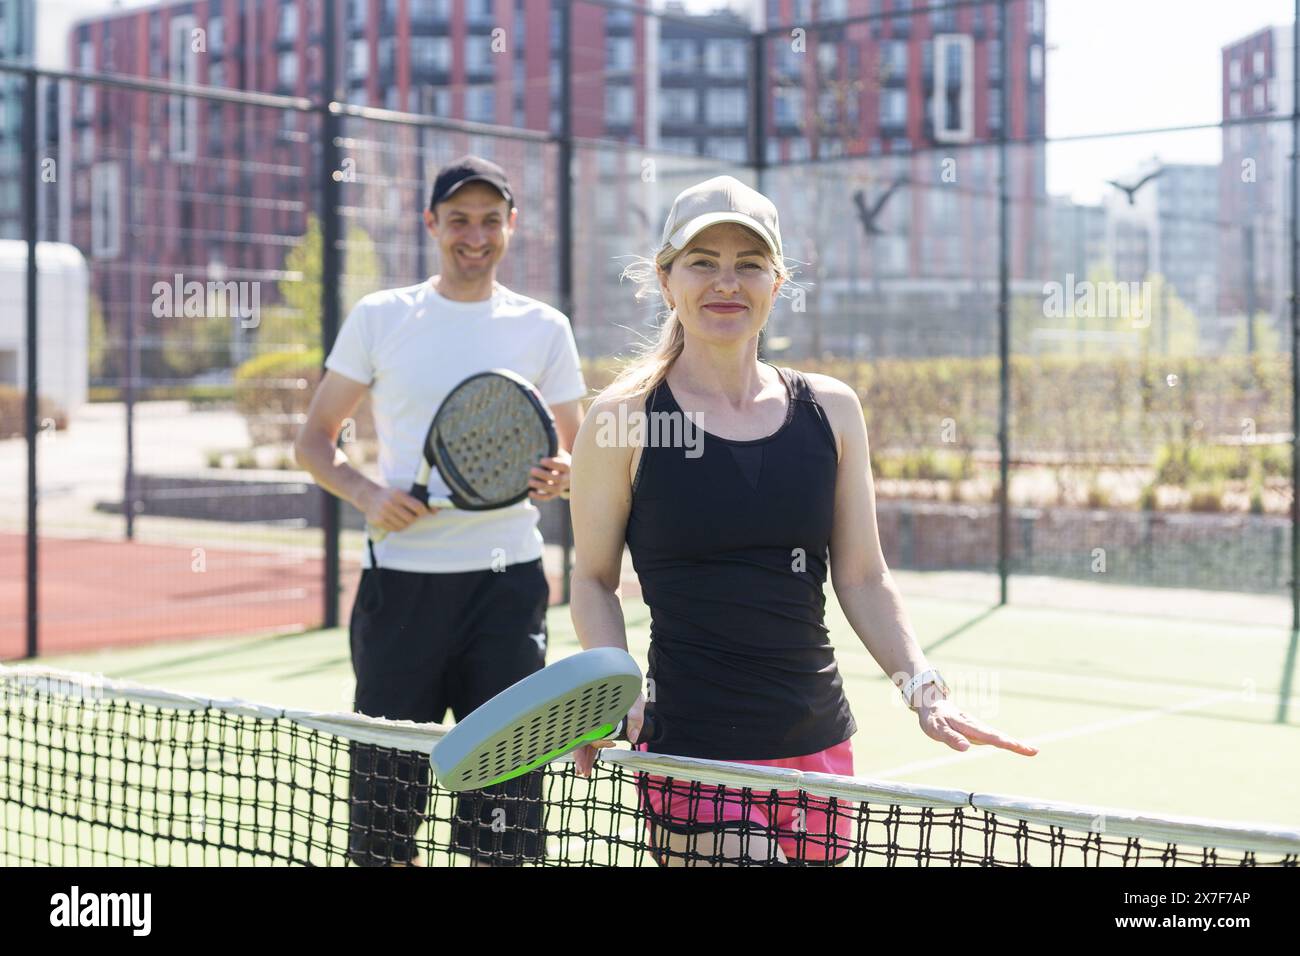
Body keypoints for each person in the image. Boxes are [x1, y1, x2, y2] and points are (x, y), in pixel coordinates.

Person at [567, 175, 1037, 866]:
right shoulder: (622, 418)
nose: (726, 283)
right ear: (666, 280)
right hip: (691, 744)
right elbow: (592, 579)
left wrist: (922, 688)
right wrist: (616, 687)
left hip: (818, 737)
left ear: (776, 283)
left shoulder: (833, 410)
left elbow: (864, 575)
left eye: (748, 265)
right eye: (703, 262)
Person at [294, 155, 587, 865]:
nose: (475, 235)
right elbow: (313, 441)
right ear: (431, 224)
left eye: (491, 220)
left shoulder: (544, 328)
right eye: (459, 219)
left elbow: (575, 461)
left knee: (506, 826)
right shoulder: (381, 317)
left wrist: (564, 478)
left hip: (508, 591)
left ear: (511, 226)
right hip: (402, 590)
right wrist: (368, 495)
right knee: (383, 825)